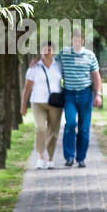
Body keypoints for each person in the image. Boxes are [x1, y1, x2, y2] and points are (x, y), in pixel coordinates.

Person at [55, 27, 102, 169]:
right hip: (69, 94)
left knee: (84, 129)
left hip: (85, 95)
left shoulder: (90, 55)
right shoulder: (64, 53)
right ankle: (69, 157)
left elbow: (96, 75)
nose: (76, 42)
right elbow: (50, 65)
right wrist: (36, 61)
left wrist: (98, 94)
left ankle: (81, 158)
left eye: (79, 40)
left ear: (83, 41)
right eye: (74, 39)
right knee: (70, 124)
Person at [21, 41, 64, 170]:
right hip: (37, 102)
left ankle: (50, 158)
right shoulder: (34, 67)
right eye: (44, 49)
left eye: (50, 50)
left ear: (54, 52)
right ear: (41, 52)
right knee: (40, 128)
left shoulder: (60, 65)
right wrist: (23, 105)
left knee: (53, 132)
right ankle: (40, 156)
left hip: (55, 103)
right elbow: (27, 87)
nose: (47, 52)